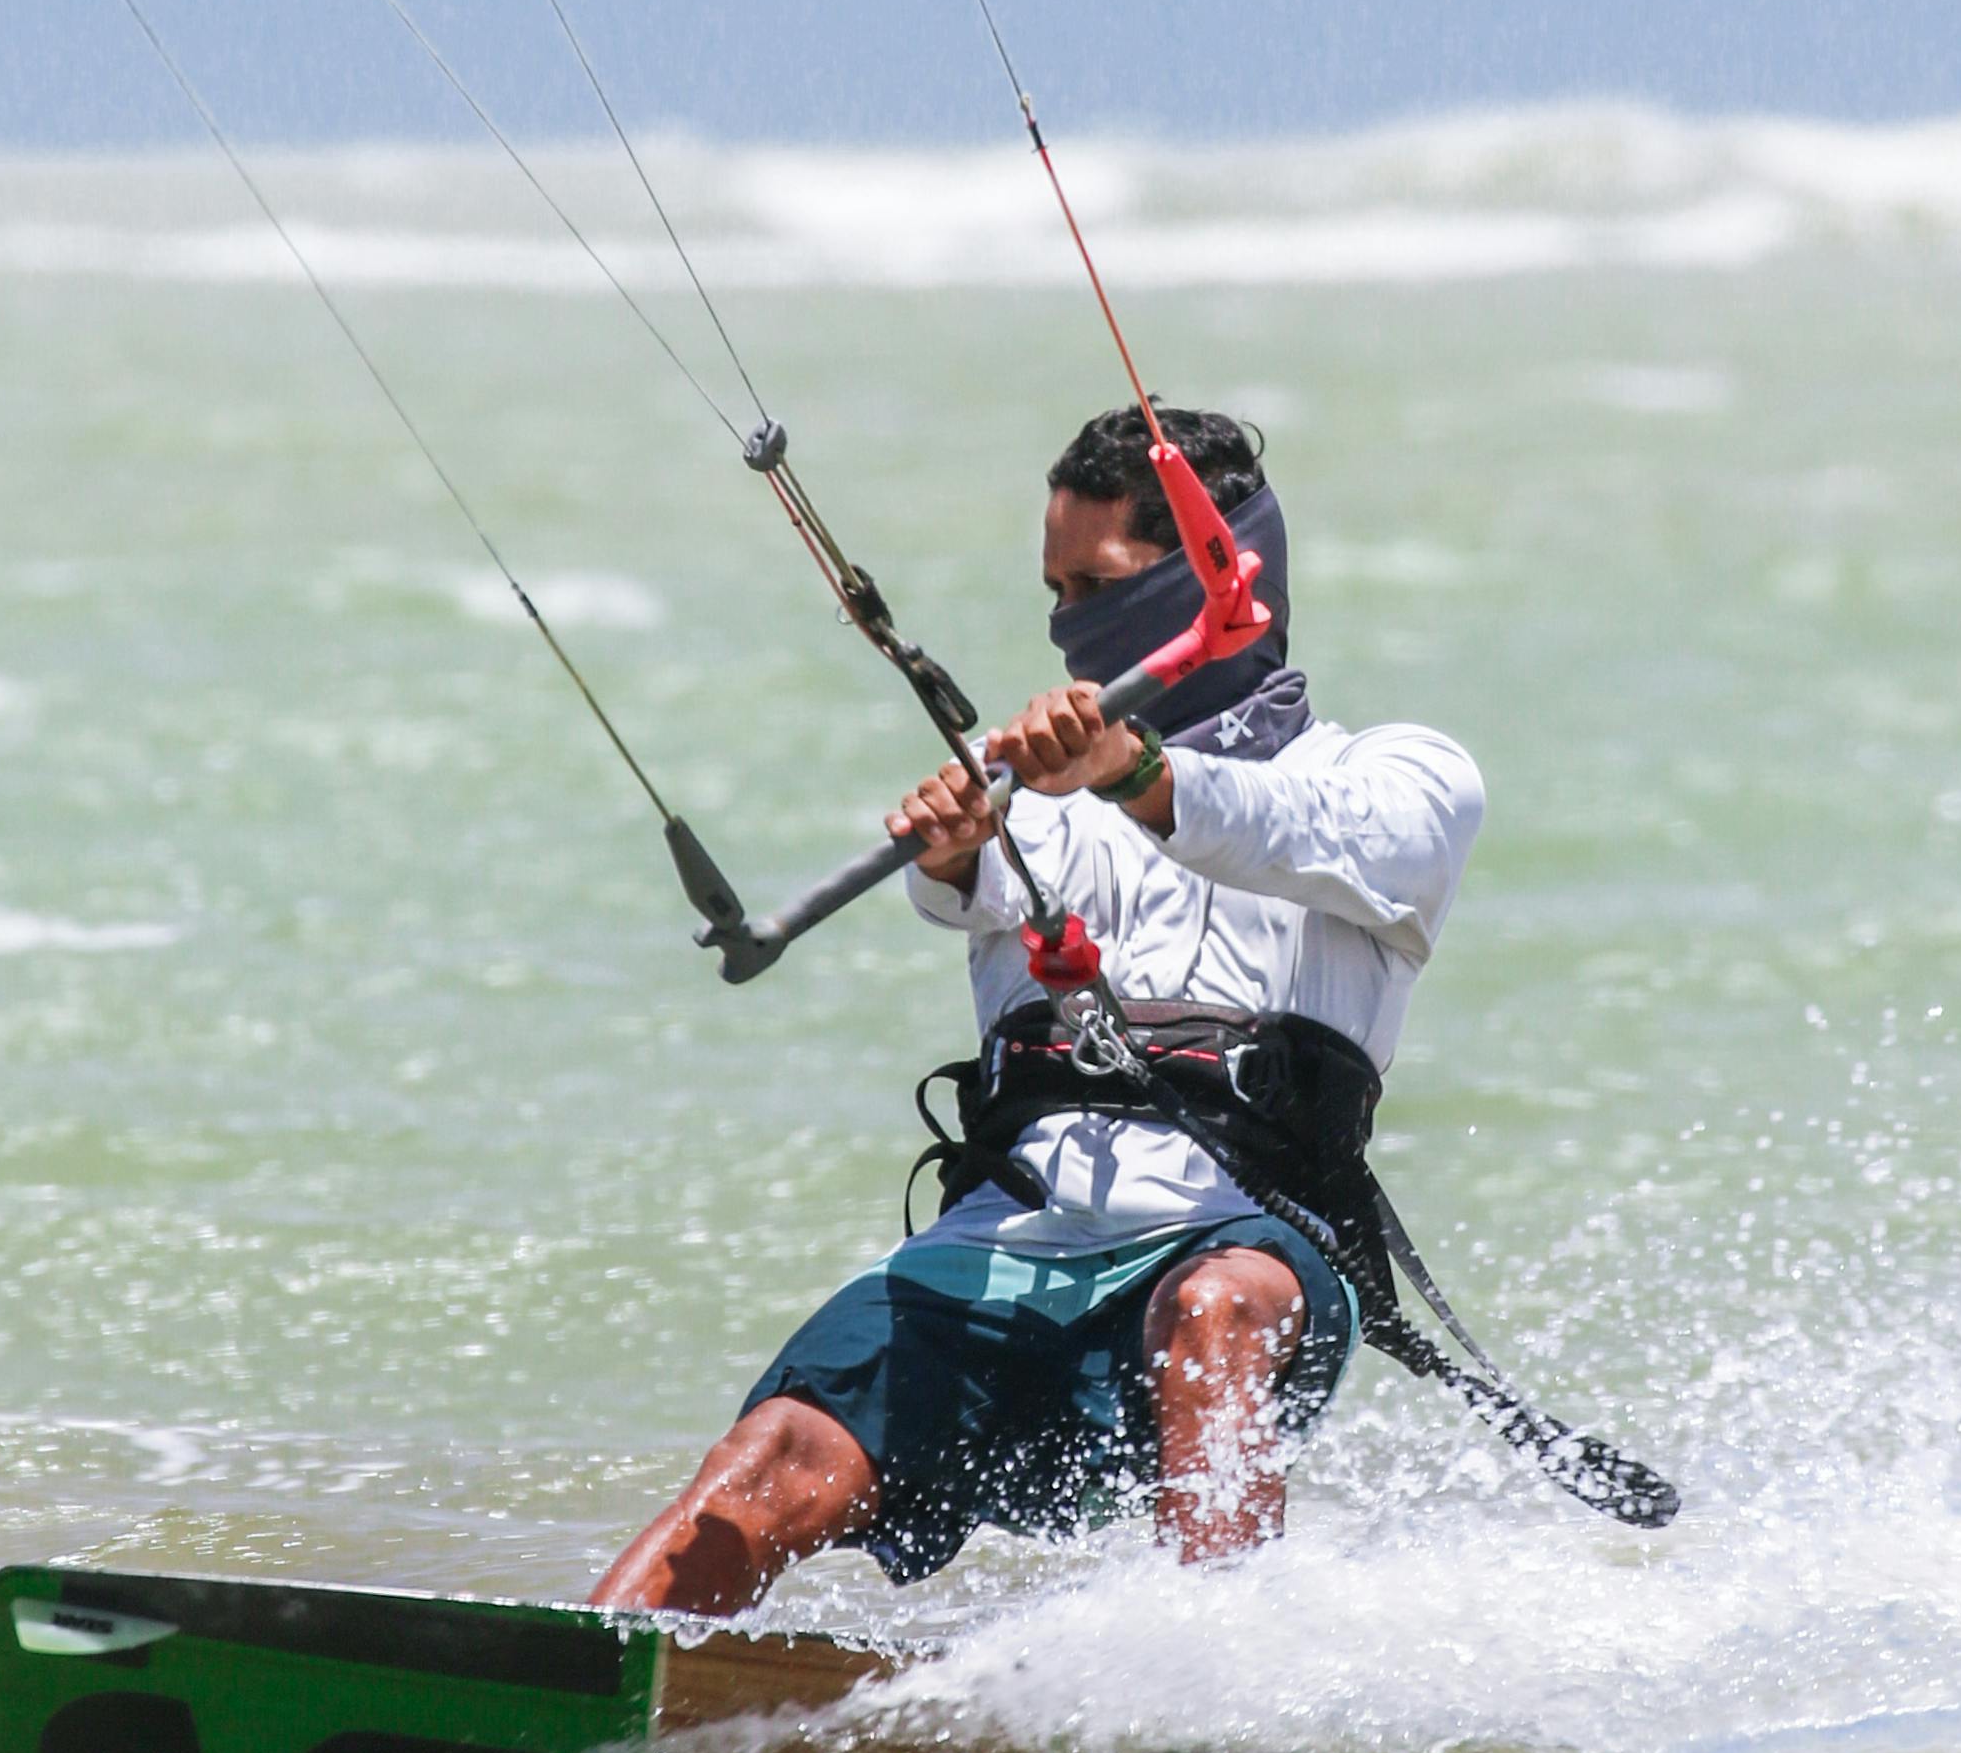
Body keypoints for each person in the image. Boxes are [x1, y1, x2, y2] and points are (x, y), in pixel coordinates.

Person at [593, 405, 1484, 1615]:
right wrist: (959, 847)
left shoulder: (1400, 777)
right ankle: (560, 1696)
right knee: (770, 1457)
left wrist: (1137, 771)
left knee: (1215, 1316)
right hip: (1012, 1244)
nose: (1070, 623)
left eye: (1098, 584)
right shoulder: (1036, 808)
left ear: (1220, 577)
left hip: (1244, 1243)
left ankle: (1213, 1696)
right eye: (1055, 591)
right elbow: (965, 889)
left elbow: (1303, 835)